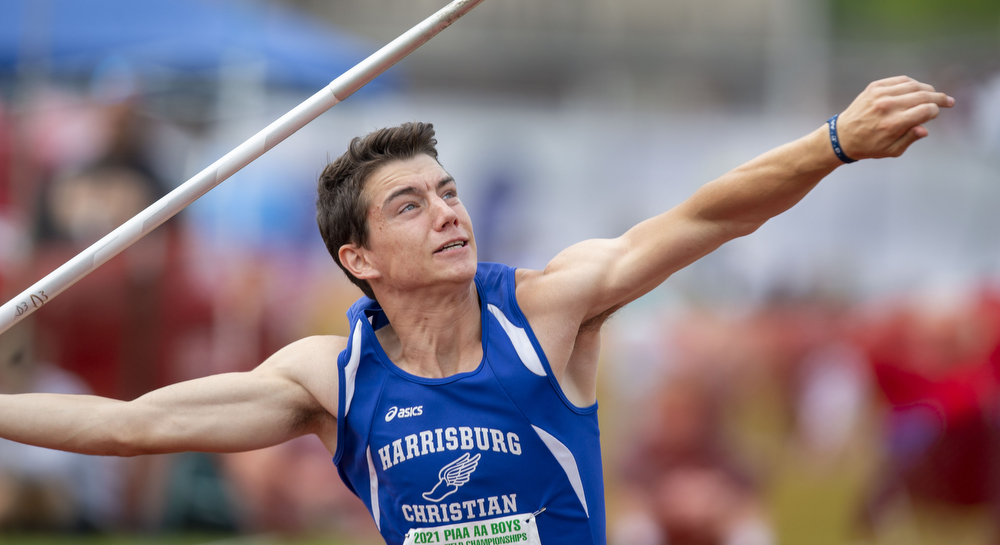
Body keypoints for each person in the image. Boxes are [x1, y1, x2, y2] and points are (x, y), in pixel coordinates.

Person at [0, 76, 953, 544]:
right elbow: (125, 425)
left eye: (448, 192)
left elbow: (708, 216)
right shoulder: (325, 376)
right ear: (357, 257)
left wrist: (834, 142)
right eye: (410, 205)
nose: (449, 212)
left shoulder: (549, 310)